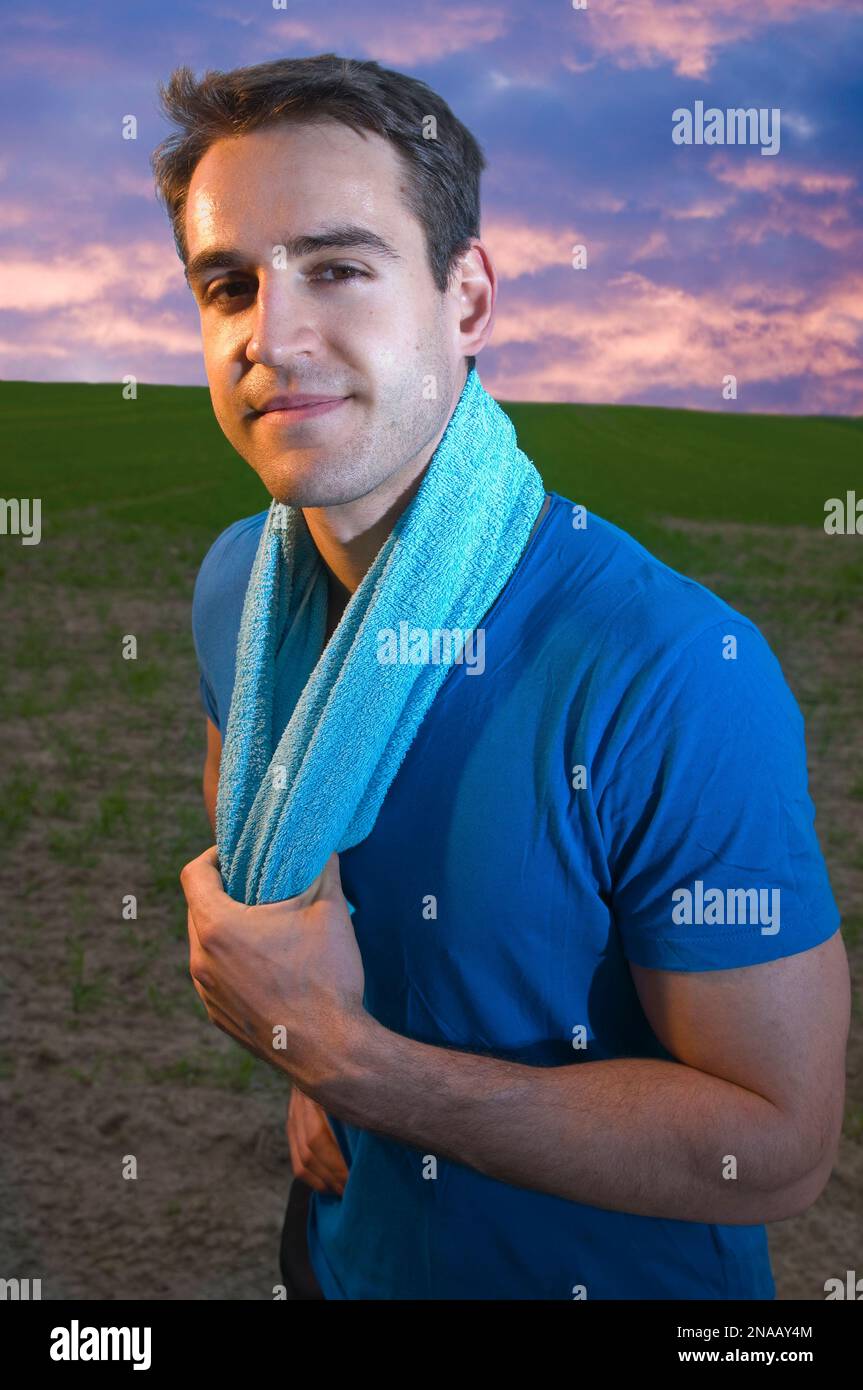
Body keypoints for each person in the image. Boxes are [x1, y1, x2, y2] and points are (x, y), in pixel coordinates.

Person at [158, 54, 850, 1300]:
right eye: (227, 284)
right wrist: (319, 1082)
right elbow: (270, 856)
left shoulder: (672, 672)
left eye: (336, 267)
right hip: (336, 1252)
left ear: (466, 298)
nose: (270, 335)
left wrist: (346, 1063)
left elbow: (777, 1149)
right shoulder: (236, 592)